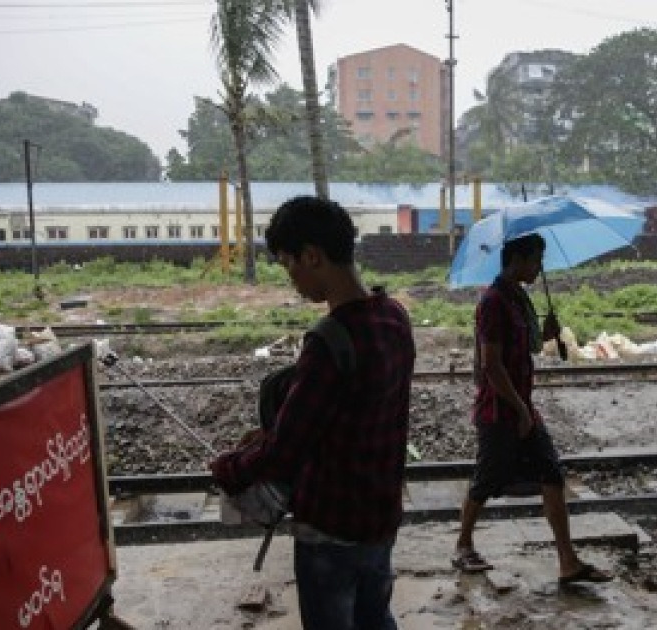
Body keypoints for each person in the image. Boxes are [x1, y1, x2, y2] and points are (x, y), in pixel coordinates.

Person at [210, 195, 415, 630]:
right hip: (380, 515)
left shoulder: (329, 339)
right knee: (375, 618)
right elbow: (352, 415)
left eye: (289, 266)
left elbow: (286, 452)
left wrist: (229, 468)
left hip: (332, 526)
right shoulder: (395, 318)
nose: (292, 279)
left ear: (313, 256)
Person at [451, 233, 613, 586]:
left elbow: (529, 349)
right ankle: (463, 545)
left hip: (522, 406)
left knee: (551, 472)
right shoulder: (493, 302)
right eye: (537, 258)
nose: (540, 266)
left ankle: (568, 561)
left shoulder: (517, 299)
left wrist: (548, 333)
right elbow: (492, 365)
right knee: (487, 479)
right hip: (499, 409)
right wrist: (520, 410)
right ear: (519, 260)